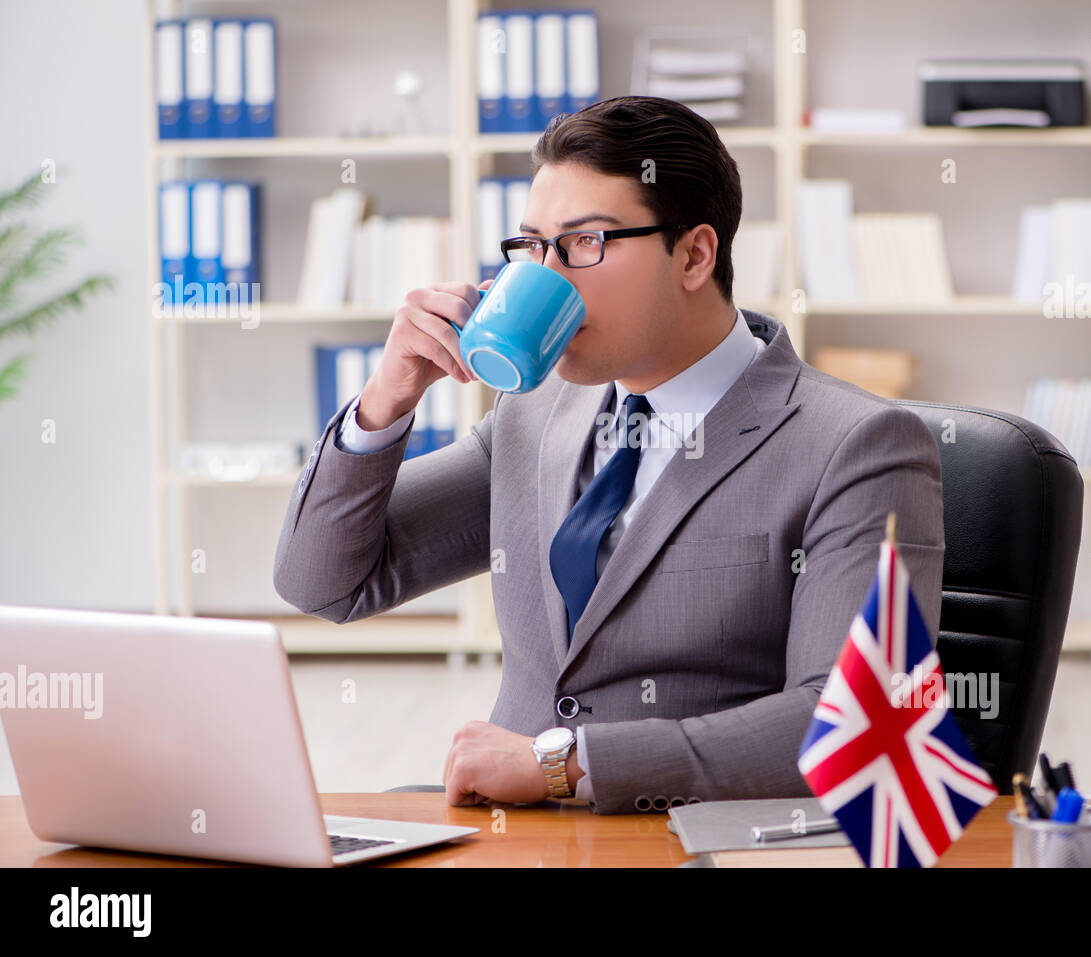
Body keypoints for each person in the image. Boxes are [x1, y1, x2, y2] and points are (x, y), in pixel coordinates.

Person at [273, 95, 944, 813]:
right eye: (532, 247)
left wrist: (564, 763)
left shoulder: (856, 444)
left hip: (689, 847)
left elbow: (856, 722)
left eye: (585, 243)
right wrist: (386, 398)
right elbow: (325, 583)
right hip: (517, 848)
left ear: (694, 254)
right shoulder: (533, 415)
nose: (547, 277)